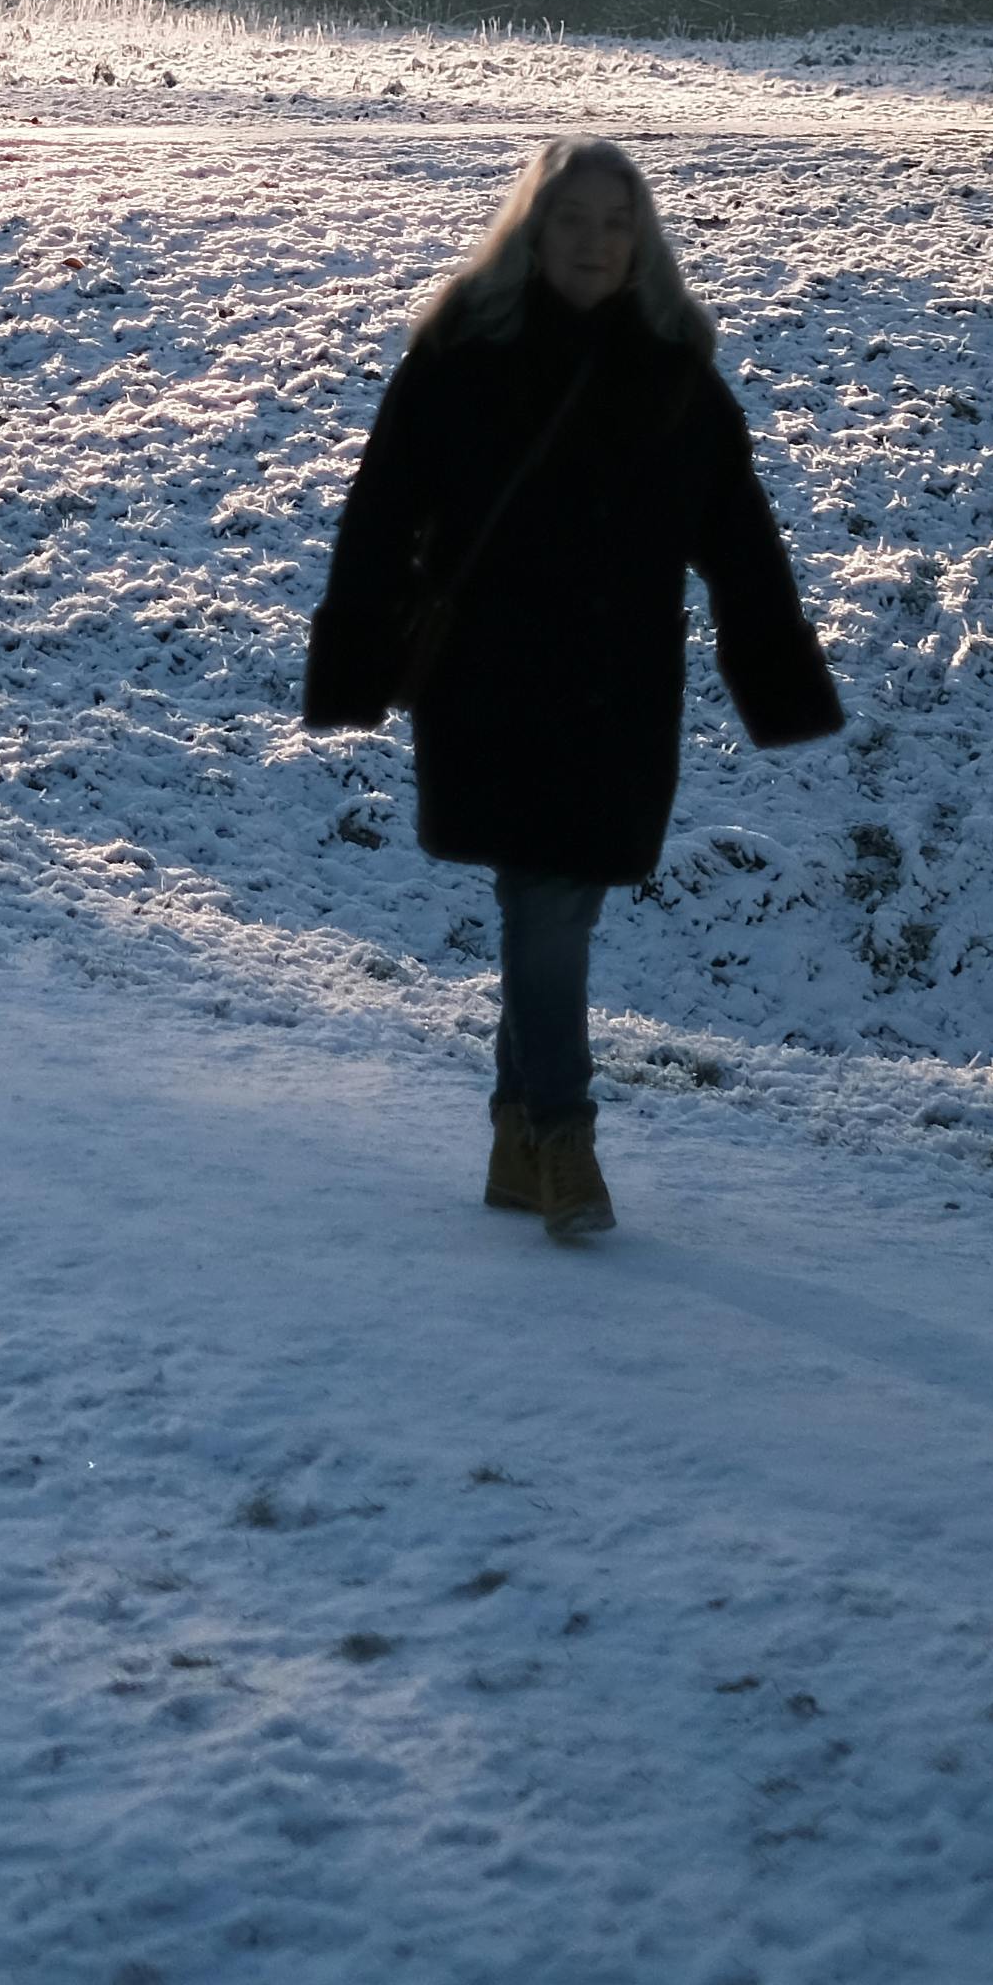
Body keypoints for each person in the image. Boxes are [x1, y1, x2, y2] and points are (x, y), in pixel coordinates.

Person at [301, 137, 841, 1243]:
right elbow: (377, 519)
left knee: (555, 904)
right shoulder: (458, 354)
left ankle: (513, 1138)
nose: (595, 241)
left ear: (640, 241)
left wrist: (778, 681)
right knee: (545, 907)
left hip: (619, 691)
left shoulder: (674, 374)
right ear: (532, 230)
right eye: (574, 218)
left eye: (616, 221)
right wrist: (356, 656)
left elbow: (742, 545)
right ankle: (565, 1137)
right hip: (490, 685)